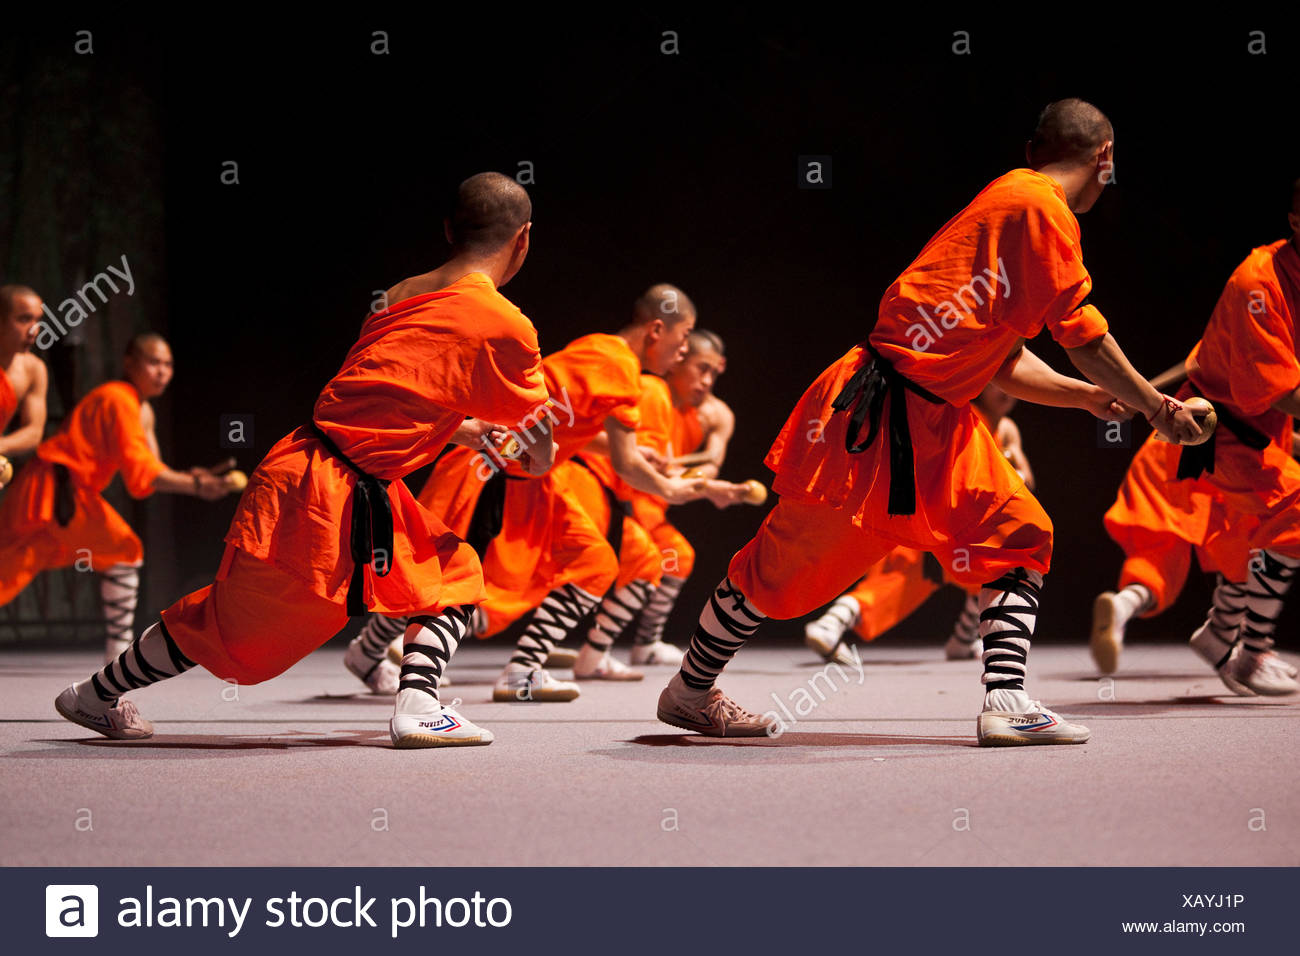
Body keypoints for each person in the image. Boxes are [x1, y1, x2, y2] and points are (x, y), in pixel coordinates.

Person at [654, 98, 1202, 745]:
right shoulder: (1042, 209)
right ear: (1105, 158)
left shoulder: (1009, 201)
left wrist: (1085, 397)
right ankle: (690, 691)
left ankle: (1007, 701)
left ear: (1033, 150)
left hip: (936, 417)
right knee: (780, 565)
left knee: (1019, 533)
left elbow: (1003, 358)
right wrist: (1156, 406)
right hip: (882, 408)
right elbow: (1083, 335)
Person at [53, 172, 554, 748]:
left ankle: (94, 695)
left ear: (448, 230)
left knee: (449, 570)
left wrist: (460, 431)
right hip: (334, 493)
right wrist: (539, 459)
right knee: (233, 624)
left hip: (310, 466)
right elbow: (534, 436)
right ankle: (417, 707)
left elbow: (381, 395)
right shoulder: (506, 324)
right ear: (524, 238)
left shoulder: (399, 294)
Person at [345, 285, 725, 701]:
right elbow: (622, 462)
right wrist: (672, 488)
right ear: (656, 329)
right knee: (443, 578)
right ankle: (387, 669)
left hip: (531, 479)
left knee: (594, 563)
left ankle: (521, 671)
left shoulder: (608, 357)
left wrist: (634, 455)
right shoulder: (616, 363)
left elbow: (565, 425)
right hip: (490, 472)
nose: (683, 350)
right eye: (683, 336)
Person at [1122, 179, 1300, 696]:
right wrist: (1141, 399)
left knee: (1246, 535)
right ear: (1295, 220)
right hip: (1218, 430)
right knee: (1287, 514)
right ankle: (1248, 649)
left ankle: (1225, 635)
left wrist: (1142, 392)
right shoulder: (1258, 283)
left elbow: (1201, 355)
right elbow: (1280, 392)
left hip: (1259, 431)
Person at [0, 333, 232, 659]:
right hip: (59, 491)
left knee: (5, 575)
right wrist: (194, 485)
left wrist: (194, 478)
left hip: (51, 492)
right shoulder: (119, 399)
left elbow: (151, 471)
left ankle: (117, 654)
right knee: (125, 551)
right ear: (129, 363)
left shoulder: (140, 409)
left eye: (168, 365)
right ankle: (118, 656)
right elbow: (146, 472)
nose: (162, 372)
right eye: (153, 363)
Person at [803, 384, 1033, 665]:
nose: (1006, 393)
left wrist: (1008, 468)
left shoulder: (1007, 429)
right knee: (890, 587)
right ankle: (830, 625)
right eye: (997, 386)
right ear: (983, 387)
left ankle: (963, 639)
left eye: (1011, 386)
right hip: (926, 517)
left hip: (959, 527)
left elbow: (1027, 481)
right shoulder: (963, 416)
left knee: (991, 571)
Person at [624, 329, 737, 664]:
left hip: (651, 504)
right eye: (702, 369)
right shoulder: (647, 392)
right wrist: (703, 487)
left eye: (714, 372)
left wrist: (695, 482)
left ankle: (645, 644)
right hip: (618, 495)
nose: (708, 381)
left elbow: (709, 466)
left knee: (676, 557)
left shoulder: (716, 415)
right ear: (678, 362)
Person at [0, 285, 50, 478]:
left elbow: (34, 431)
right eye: (24, 319)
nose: (34, 330)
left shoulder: (33, 370)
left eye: (38, 320)